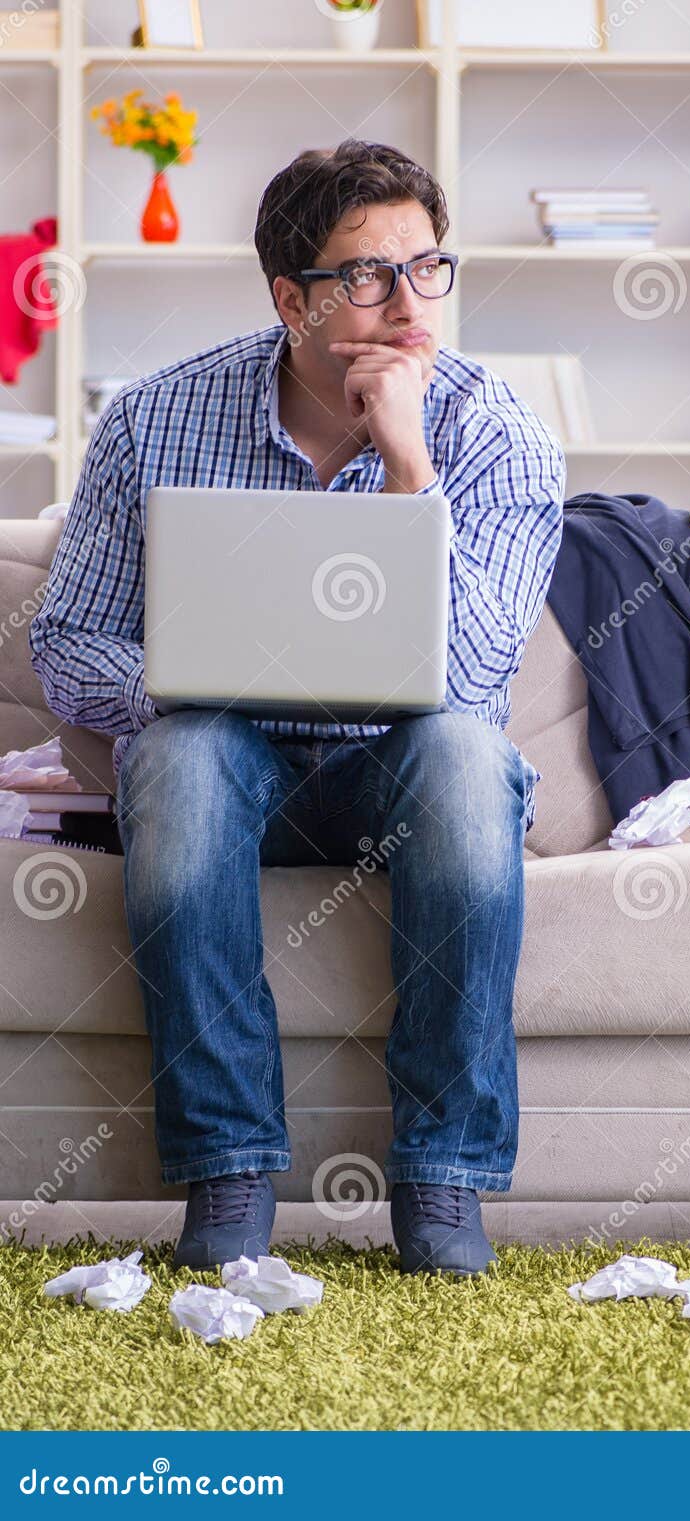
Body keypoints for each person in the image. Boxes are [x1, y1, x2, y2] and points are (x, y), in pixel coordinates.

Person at [28, 139, 565, 1276]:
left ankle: (443, 1179)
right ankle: (228, 1170)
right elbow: (67, 649)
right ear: (292, 298)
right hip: (231, 780)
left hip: (403, 778)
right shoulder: (155, 419)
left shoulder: (496, 432)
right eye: (369, 276)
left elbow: (471, 686)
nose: (410, 303)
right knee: (177, 754)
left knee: (467, 760)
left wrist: (408, 464)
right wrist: (191, 673)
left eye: (428, 267)